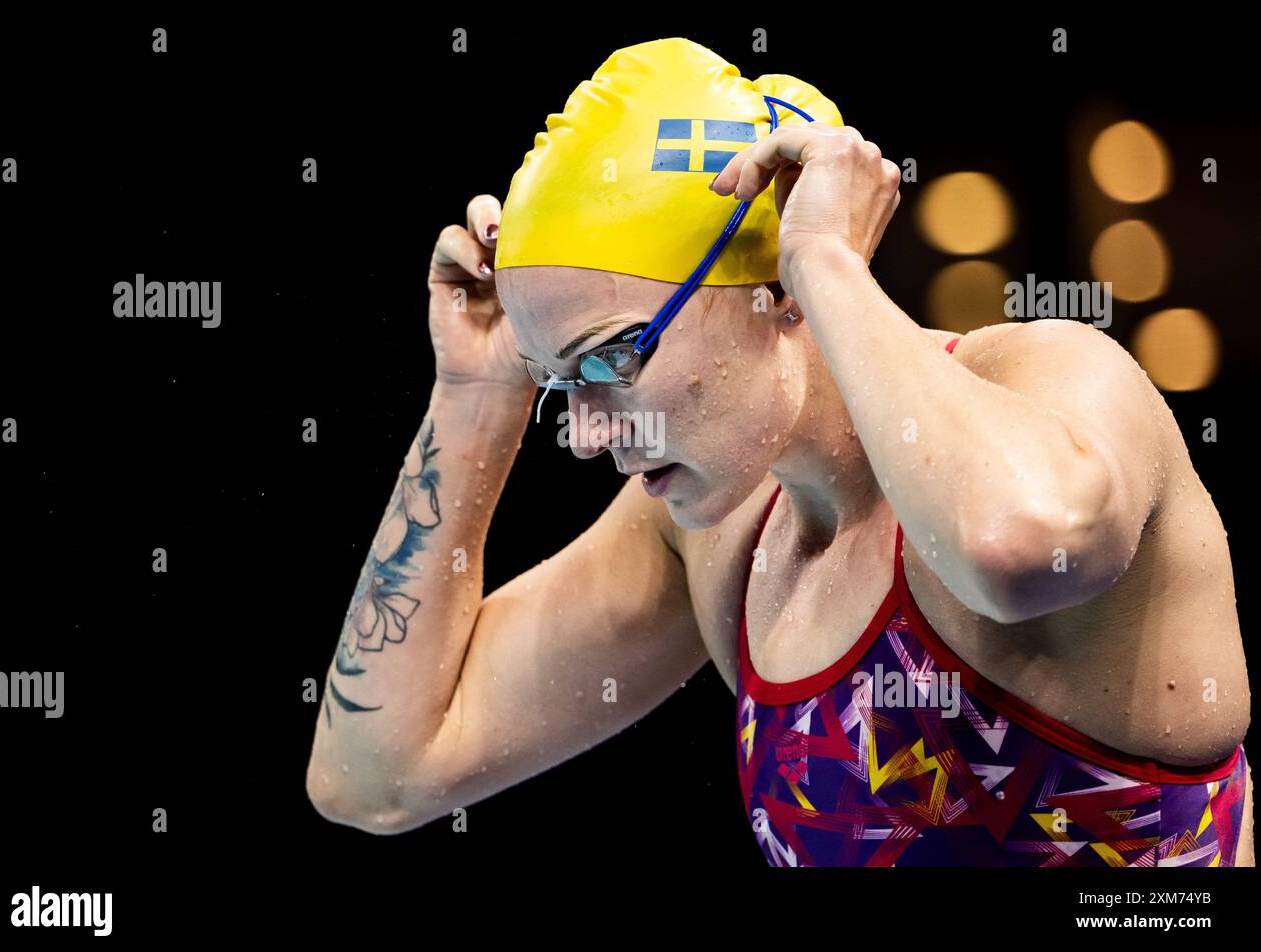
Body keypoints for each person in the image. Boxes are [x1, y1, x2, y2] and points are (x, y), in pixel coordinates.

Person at [306, 37, 1252, 866]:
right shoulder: (715, 534)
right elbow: (377, 776)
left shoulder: (1051, 378)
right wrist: (475, 398)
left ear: (778, 289)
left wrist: (828, 259)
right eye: (561, 380)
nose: (592, 434)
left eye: (614, 356)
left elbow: (1015, 548)